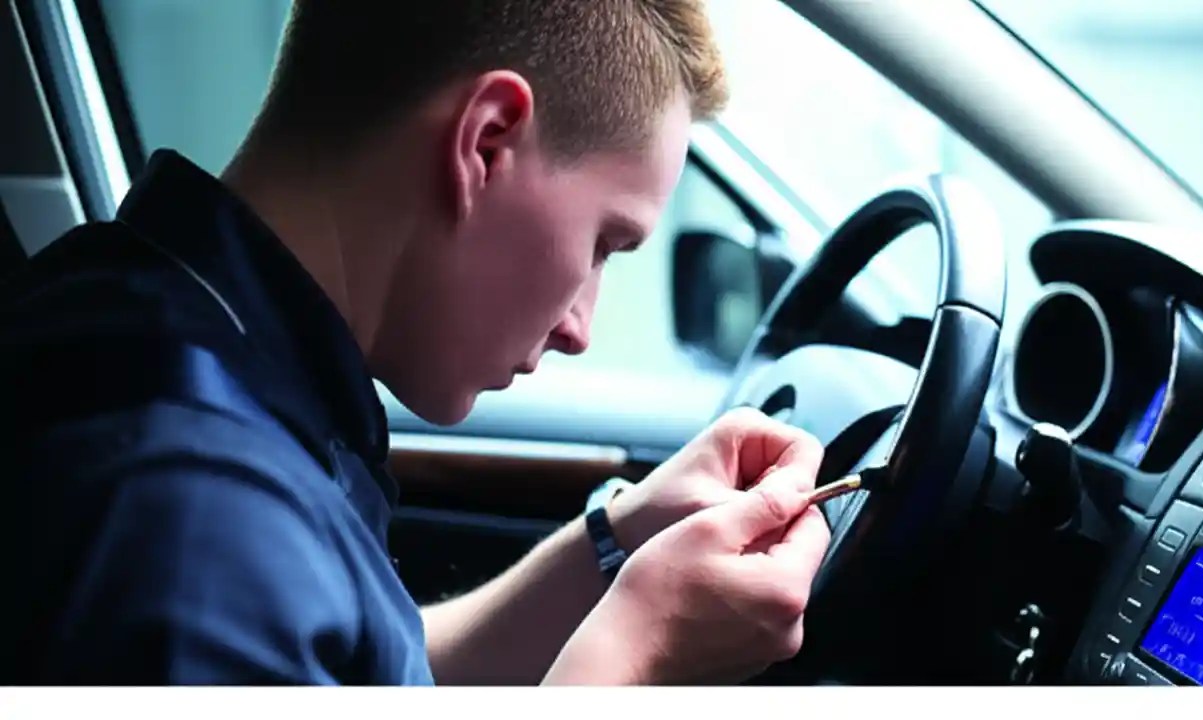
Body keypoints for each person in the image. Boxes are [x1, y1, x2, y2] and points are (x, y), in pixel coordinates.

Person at [1, 0, 831, 685]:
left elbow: (362, 668)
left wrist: (614, 548)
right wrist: (637, 657)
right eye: (604, 245)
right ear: (486, 143)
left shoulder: (182, 339)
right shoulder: (189, 508)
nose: (581, 327)